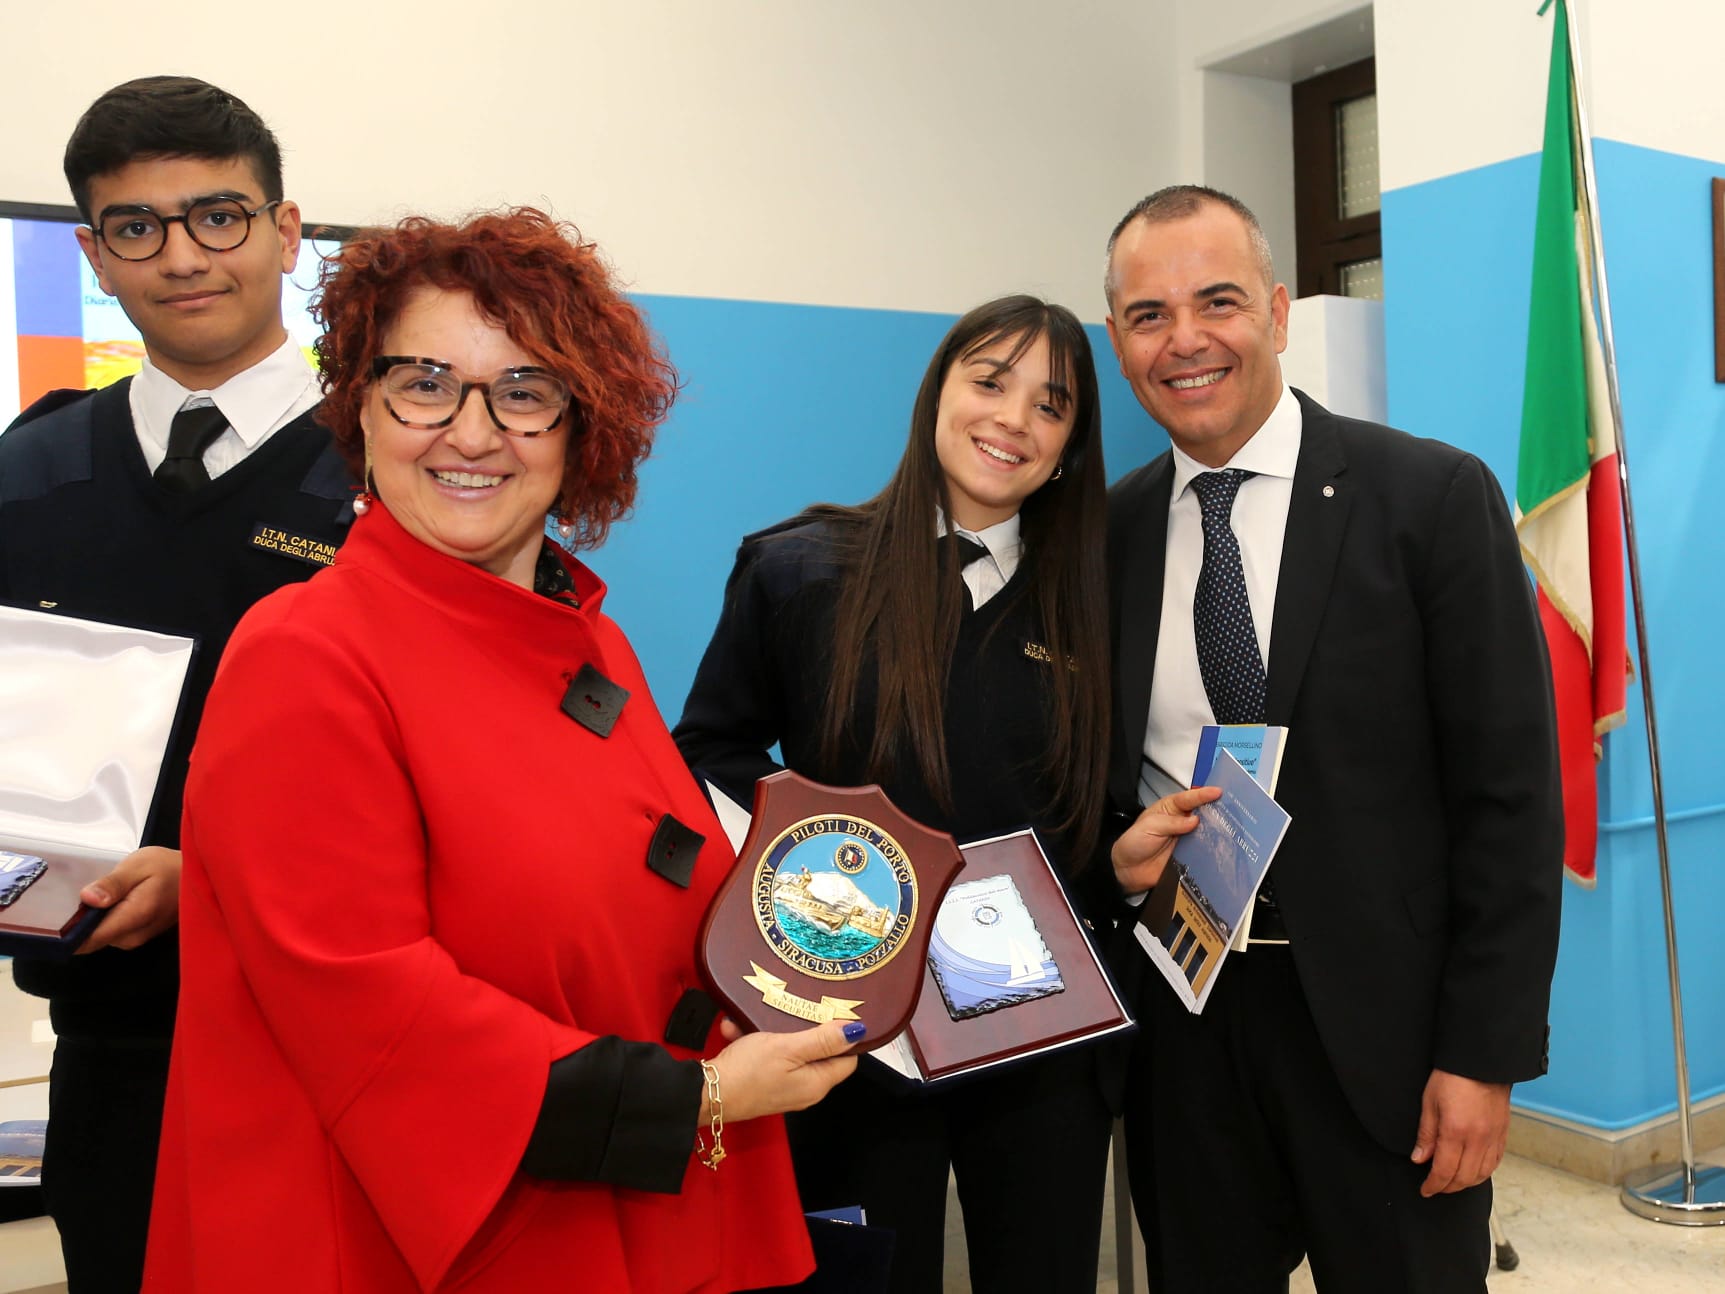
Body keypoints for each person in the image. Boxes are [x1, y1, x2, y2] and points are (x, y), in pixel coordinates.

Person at [142, 208, 859, 1294]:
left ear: (581, 427)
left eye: (523, 391)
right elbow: (376, 1012)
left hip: (607, 1208)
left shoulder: (589, 637)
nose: (471, 434)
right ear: (362, 406)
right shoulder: (303, 654)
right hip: (406, 1243)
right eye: (425, 383)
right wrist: (702, 1098)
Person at [1098, 184, 1564, 1292]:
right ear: (1117, 341)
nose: (1185, 339)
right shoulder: (1107, 532)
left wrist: (1482, 1055)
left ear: (1276, 310)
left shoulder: (1429, 497)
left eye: (1217, 301)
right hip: (1185, 1024)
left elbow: (1508, 797)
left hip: (1386, 1037)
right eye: (1149, 315)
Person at [675, 295, 1129, 1294]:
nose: (1013, 418)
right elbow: (706, 750)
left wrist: (1122, 854)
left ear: (1069, 446)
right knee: (864, 1274)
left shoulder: (1098, 599)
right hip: (851, 1028)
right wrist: (811, 873)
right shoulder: (799, 568)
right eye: (990, 381)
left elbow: (1099, 807)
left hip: (1036, 1031)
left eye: (1050, 404)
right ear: (937, 393)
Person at [0, 75, 351, 1293]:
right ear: (95, 256)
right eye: (138, 227)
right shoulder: (29, 471)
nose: (184, 256)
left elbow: (454, 777)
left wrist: (210, 880)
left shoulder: (398, 474)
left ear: (285, 231)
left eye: (219, 215)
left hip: (334, 1055)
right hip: (110, 1055)